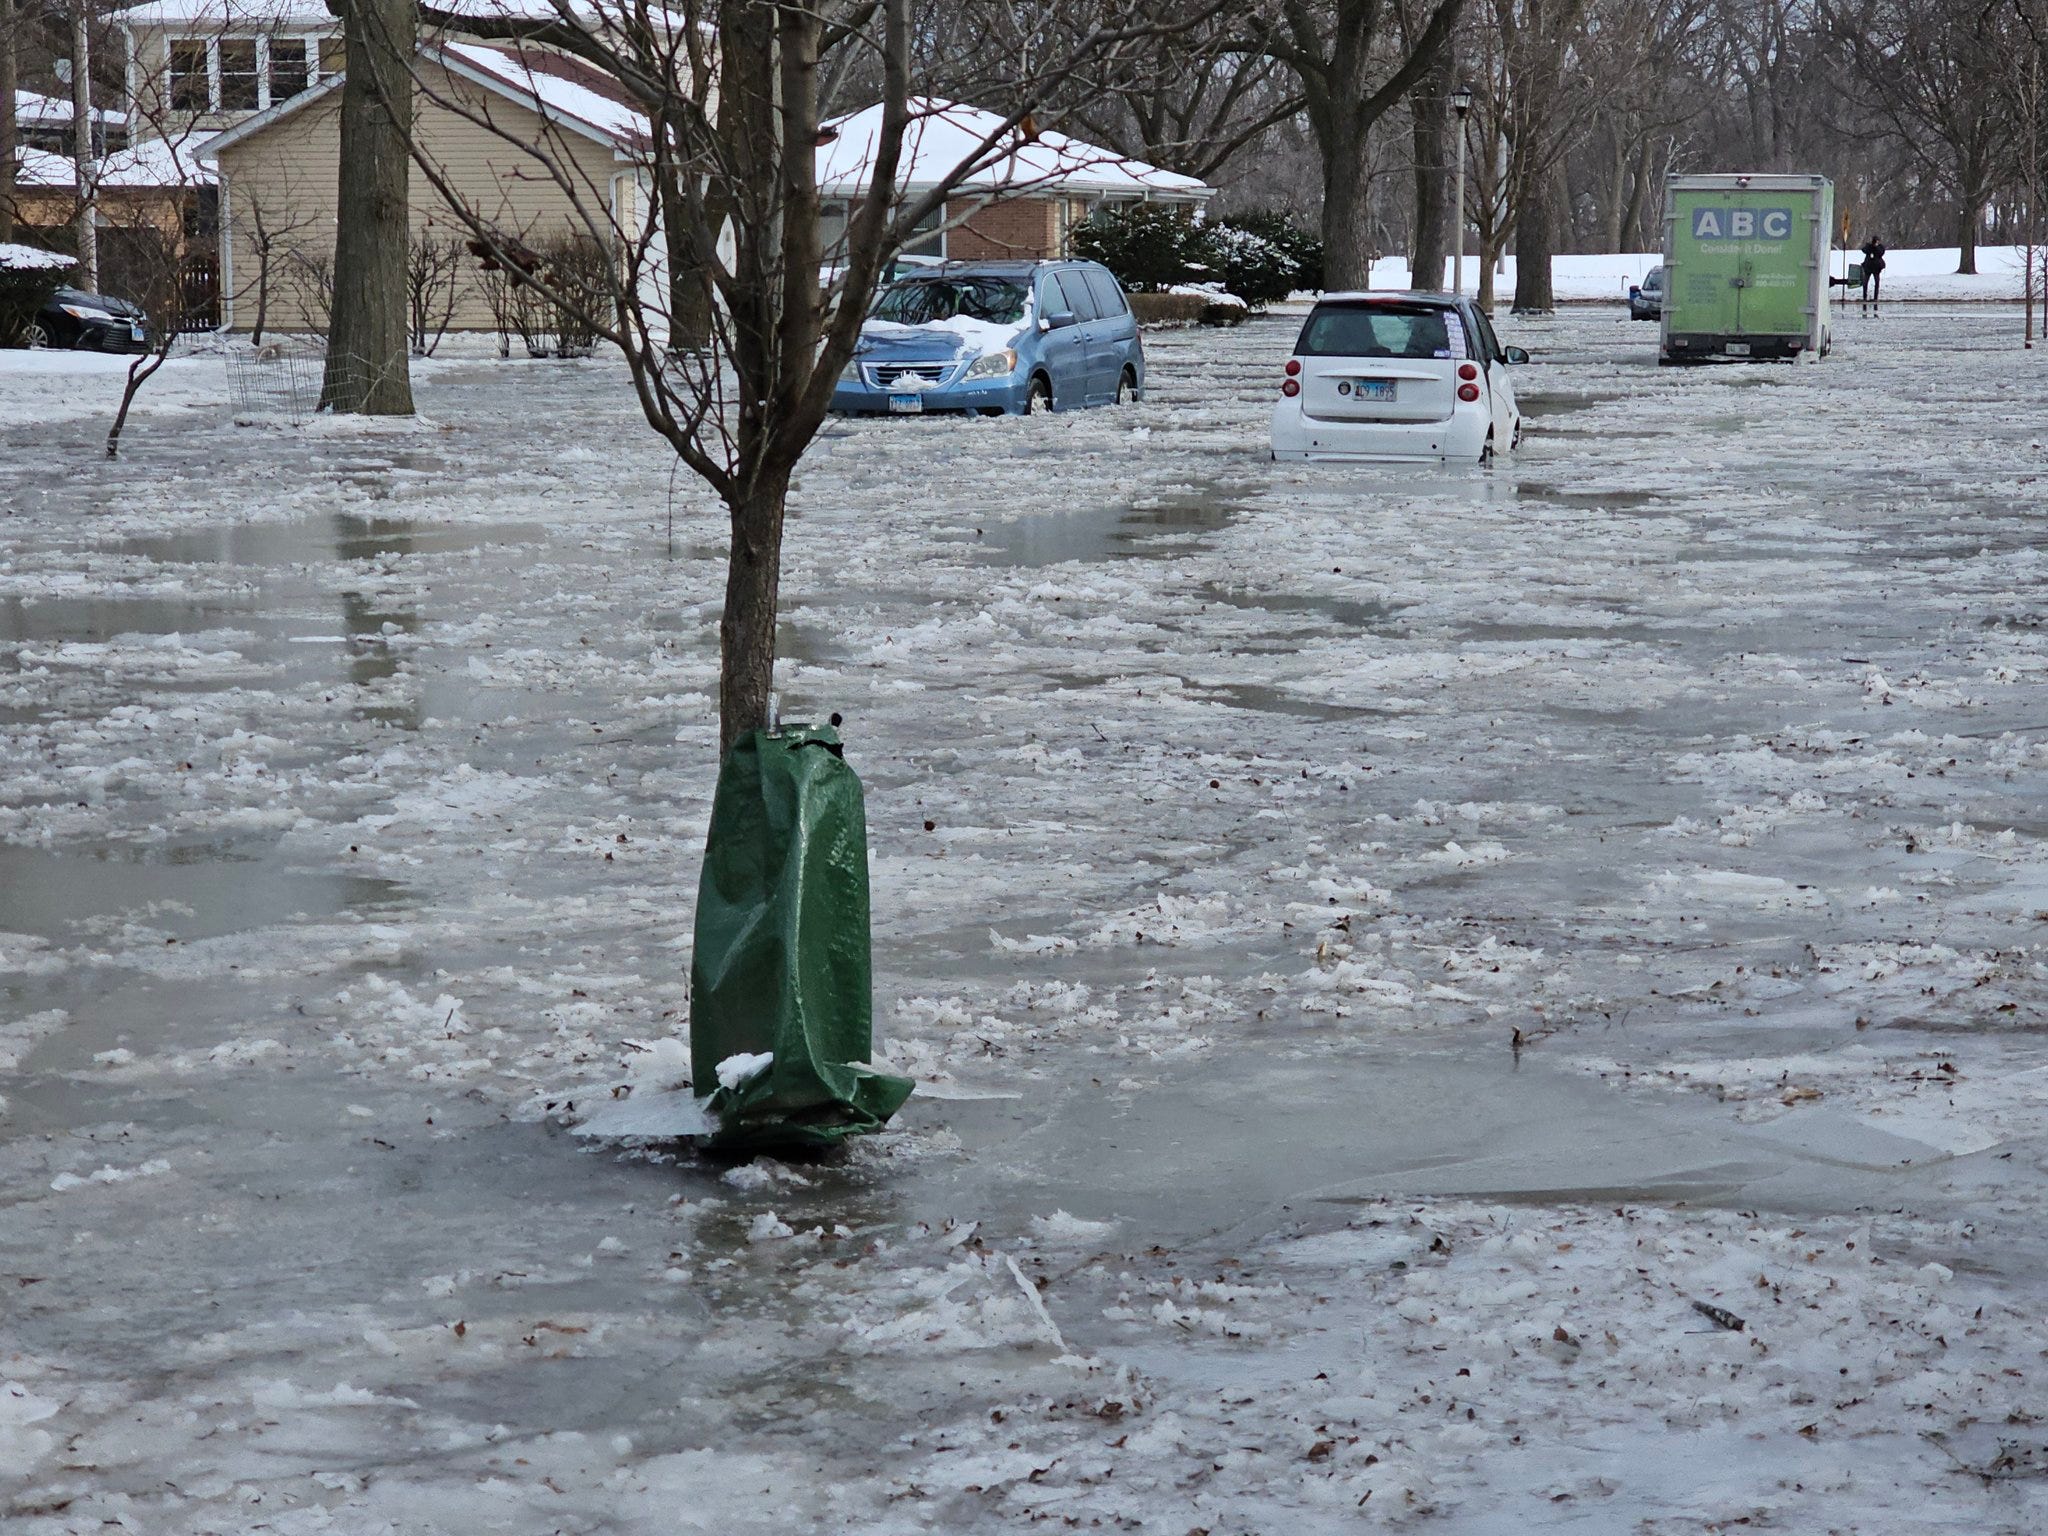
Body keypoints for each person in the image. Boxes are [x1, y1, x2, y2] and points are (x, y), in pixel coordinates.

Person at [1859, 237, 1887, 305]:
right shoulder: (1869, 247)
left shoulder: (1880, 247)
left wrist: (1876, 247)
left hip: (1876, 268)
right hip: (1868, 267)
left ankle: (1875, 297)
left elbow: (1881, 253)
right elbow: (1863, 250)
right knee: (1865, 282)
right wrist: (1871, 246)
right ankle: (1864, 297)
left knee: (1877, 282)